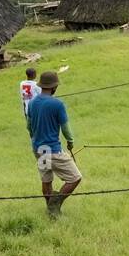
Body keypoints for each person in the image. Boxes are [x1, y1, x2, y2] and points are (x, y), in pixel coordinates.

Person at [26, 71, 81, 218]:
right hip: (53, 150)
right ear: (54, 87)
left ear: (41, 86)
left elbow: (29, 127)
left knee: (46, 179)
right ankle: (54, 205)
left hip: (38, 149)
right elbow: (65, 128)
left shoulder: (31, 103)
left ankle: (50, 211)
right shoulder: (57, 104)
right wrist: (70, 141)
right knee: (75, 177)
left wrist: (35, 139)